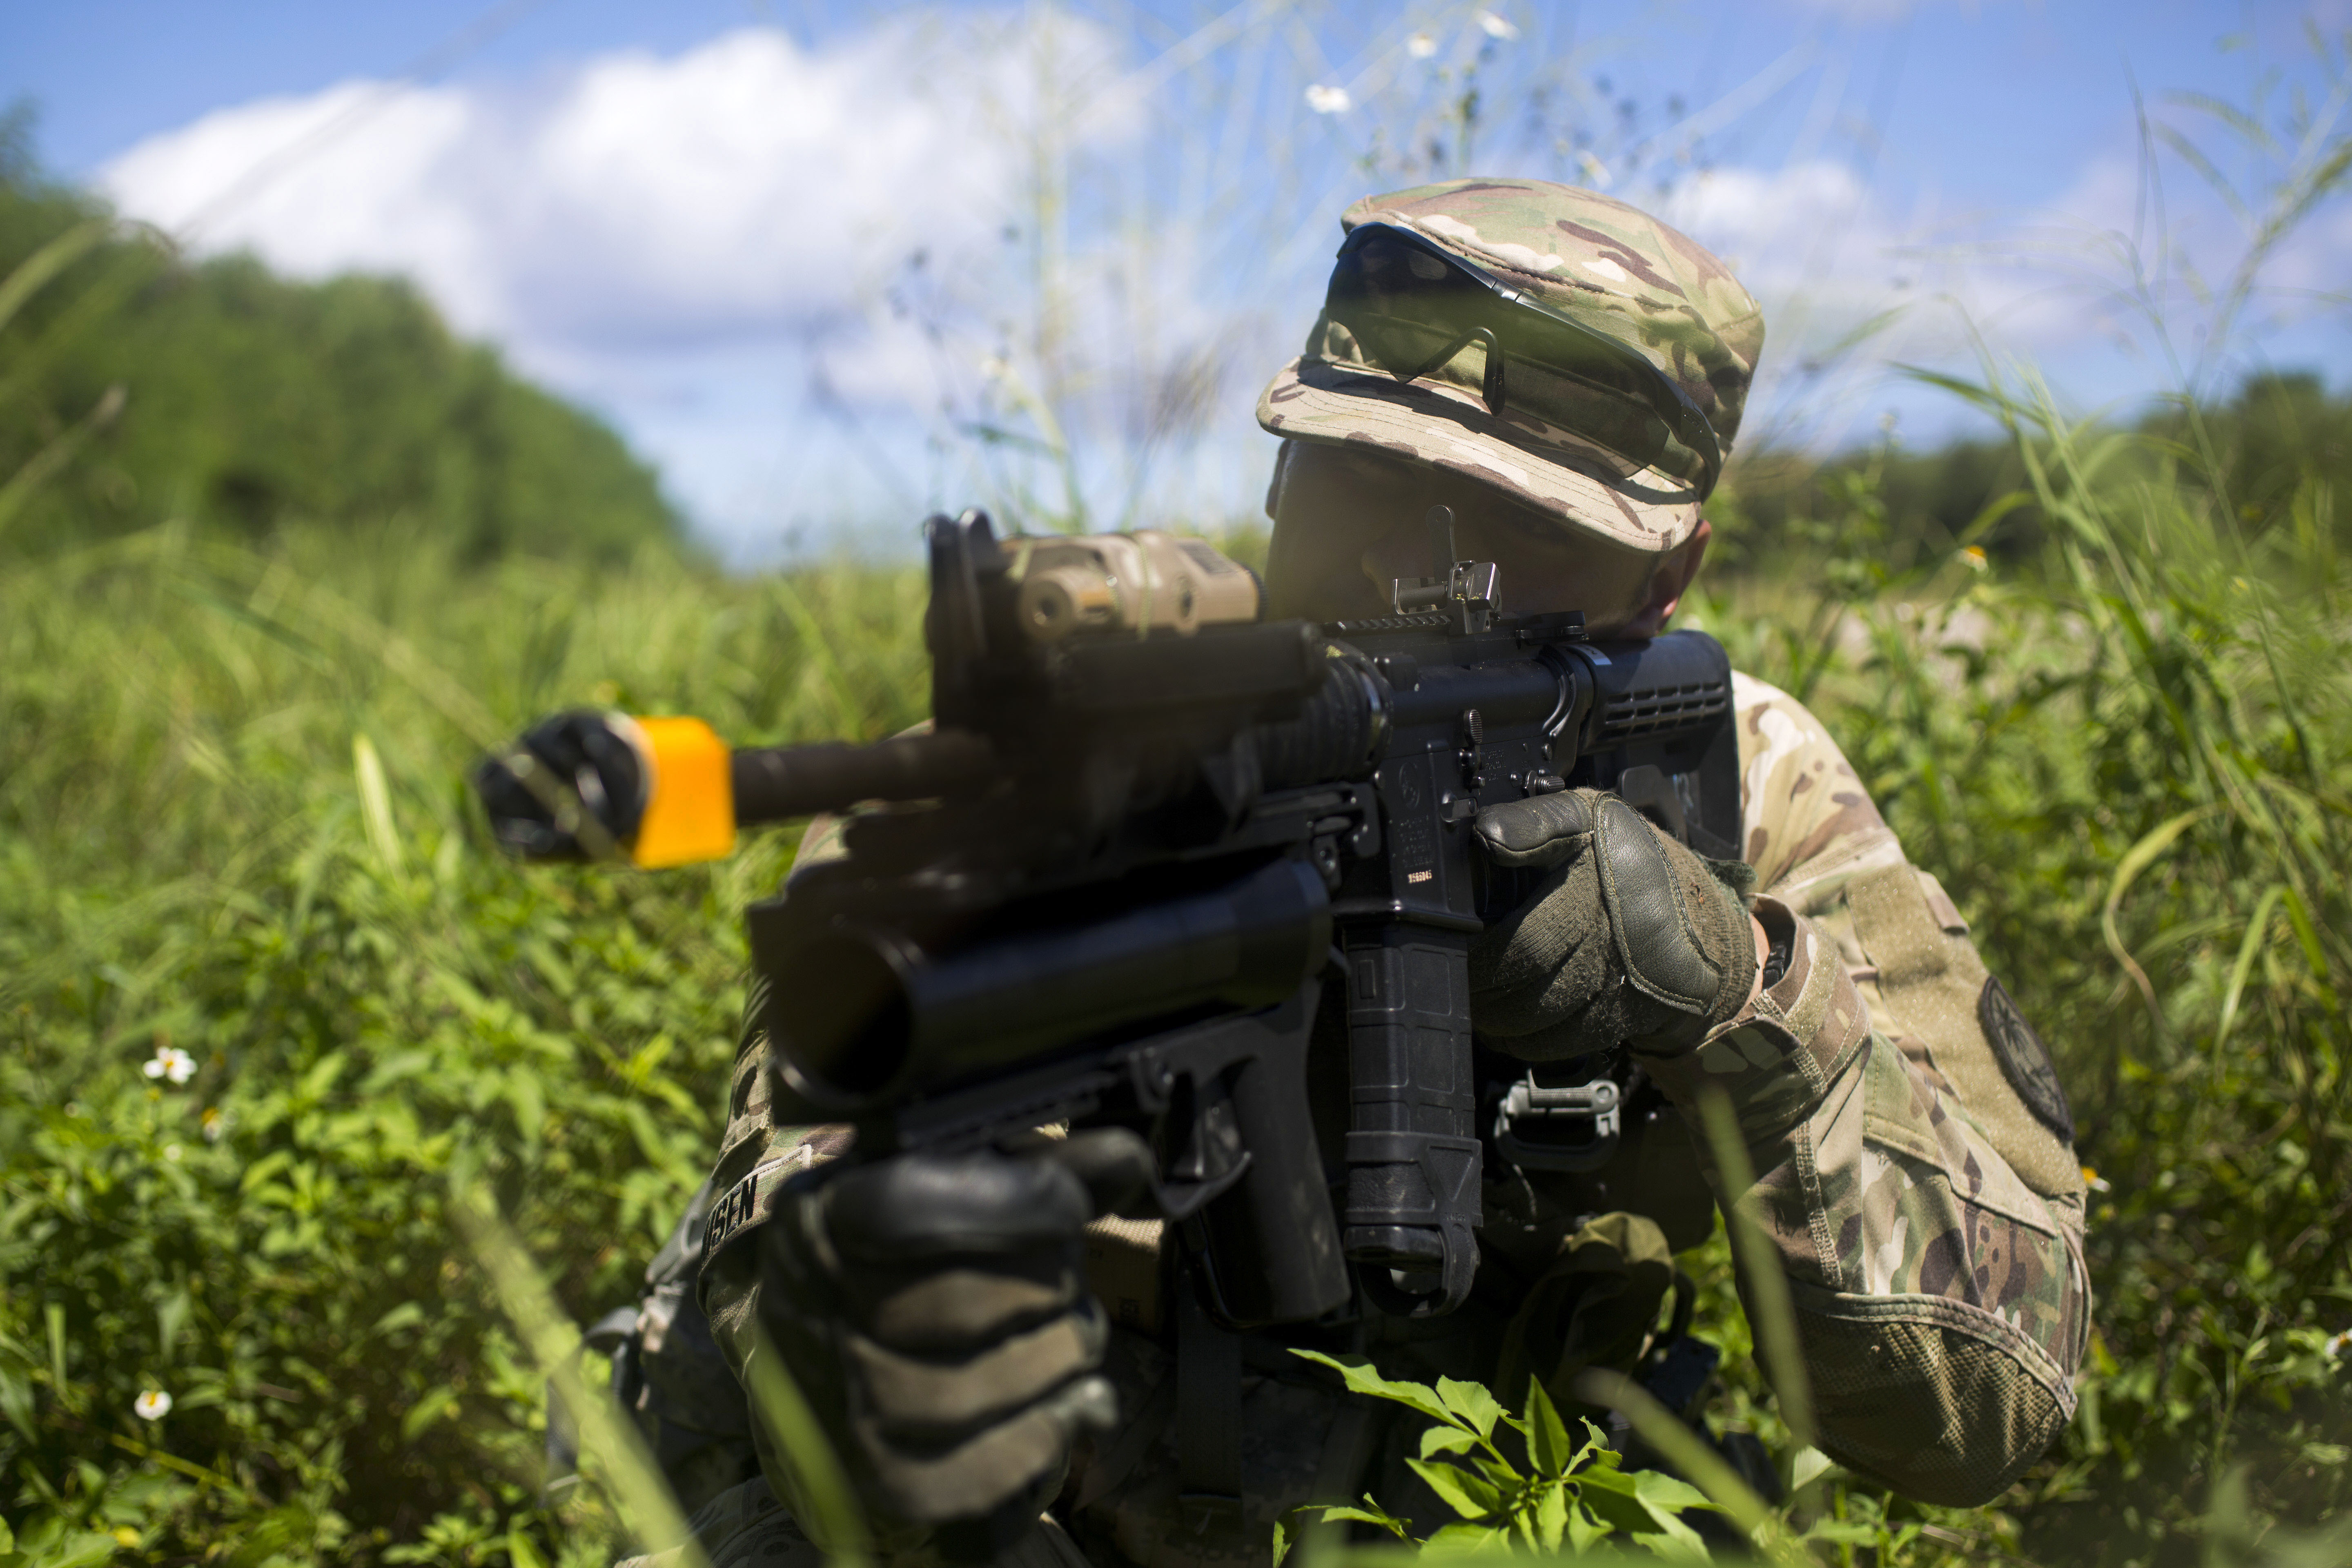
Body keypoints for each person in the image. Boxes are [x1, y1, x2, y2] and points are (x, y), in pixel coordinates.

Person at [616, 177, 2091, 1568]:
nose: (1421, 572)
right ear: (1277, 477)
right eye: (1361, 483)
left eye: (1519, 529)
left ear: (1670, 577)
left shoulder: (1744, 781)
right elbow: (807, 1331)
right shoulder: (1068, 744)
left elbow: (1992, 1410)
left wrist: (1749, 1003)